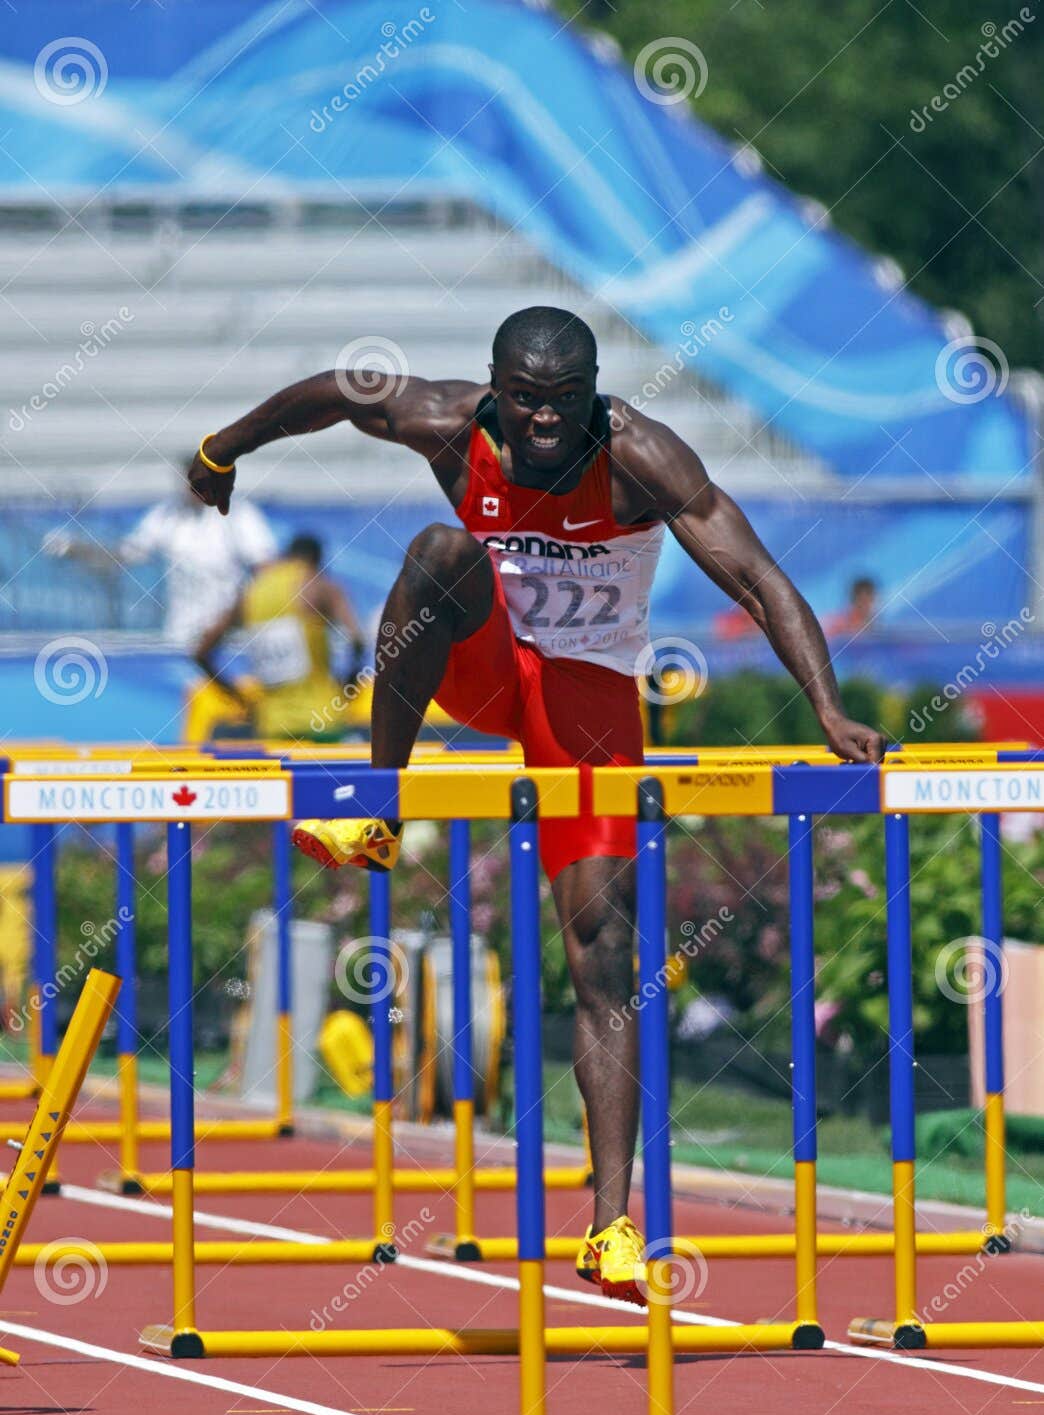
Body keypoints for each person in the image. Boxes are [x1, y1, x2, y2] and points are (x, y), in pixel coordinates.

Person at [188, 305, 886, 1305]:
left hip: (588, 696)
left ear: (595, 391)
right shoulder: (449, 423)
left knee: (605, 951)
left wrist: (828, 708)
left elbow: (760, 578)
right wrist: (223, 451)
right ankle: (379, 804)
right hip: (487, 664)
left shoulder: (640, 455)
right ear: (496, 391)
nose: (548, 422)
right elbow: (341, 392)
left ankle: (609, 1226)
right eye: (528, 402)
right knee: (436, 550)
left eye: (567, 402)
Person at [47, 456, 276, 650]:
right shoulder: (167, 516)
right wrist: (76, 549)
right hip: (181, 639)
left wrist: (239, 618)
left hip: (230, 643)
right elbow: (122, 556)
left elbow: (267, 572)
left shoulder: (240, 515)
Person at [194, 533, 366, 742]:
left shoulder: (252, 592)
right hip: (323, 721)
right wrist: (348, 687)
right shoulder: (317, 584)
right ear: (316, 560)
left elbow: (201, 653)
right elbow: (357, 640)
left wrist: (238, 698)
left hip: (271, 728)